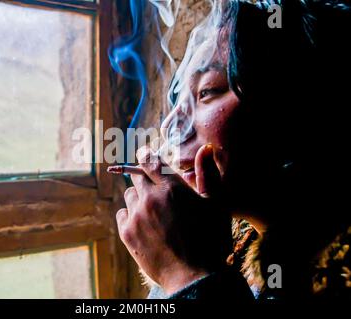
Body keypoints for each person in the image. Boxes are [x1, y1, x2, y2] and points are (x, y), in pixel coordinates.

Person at [116, 0, 351, 301]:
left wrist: (186, 275)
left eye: (207, 91)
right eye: (179, 98)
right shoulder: (230, 251)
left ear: (295, 107)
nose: (171, 126)